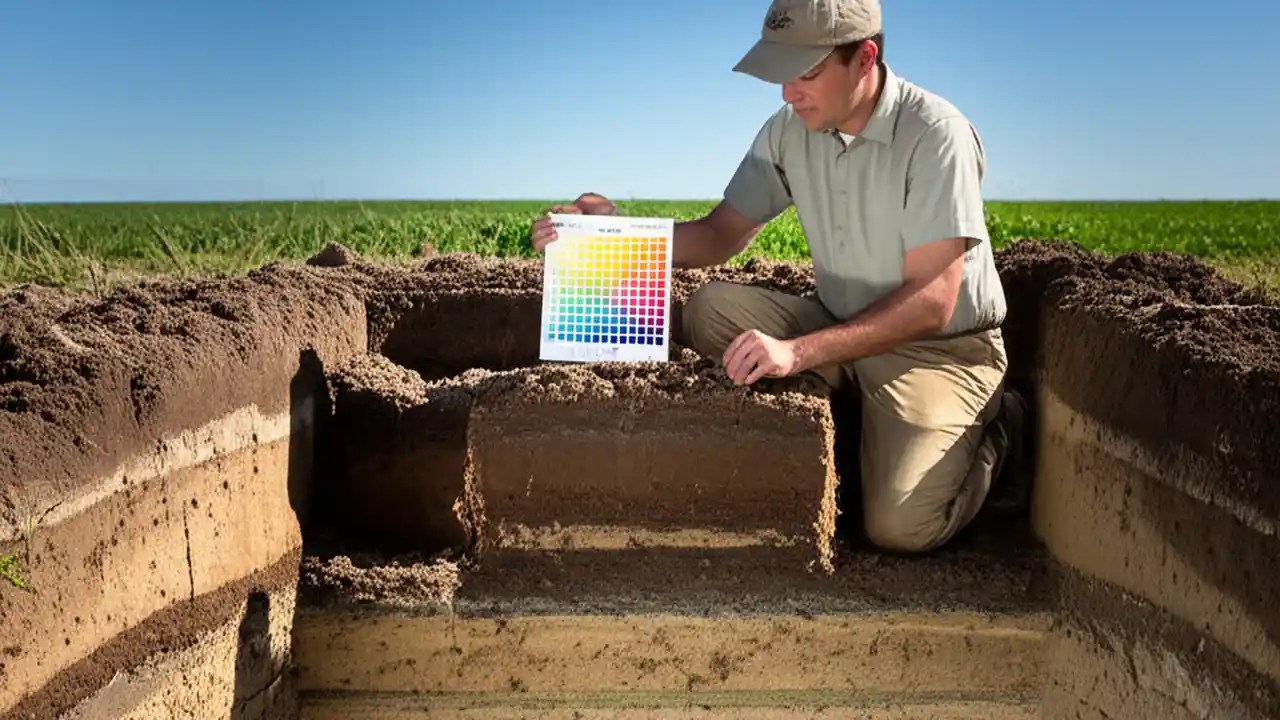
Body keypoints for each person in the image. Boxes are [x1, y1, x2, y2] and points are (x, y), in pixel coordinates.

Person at [529, 0, 1029, 554]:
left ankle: (1003, 427)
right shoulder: (791, 131)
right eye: (781, 74)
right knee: (709, 311)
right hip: (840, 324)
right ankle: (855, 424)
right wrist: (608, 233)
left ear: (865, 59)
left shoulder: (936, 134)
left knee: (901, 527)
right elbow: (718, 234)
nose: (788, 93)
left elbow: (933, 301)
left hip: (937, 352)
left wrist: (797, 353)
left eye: (806, 73)